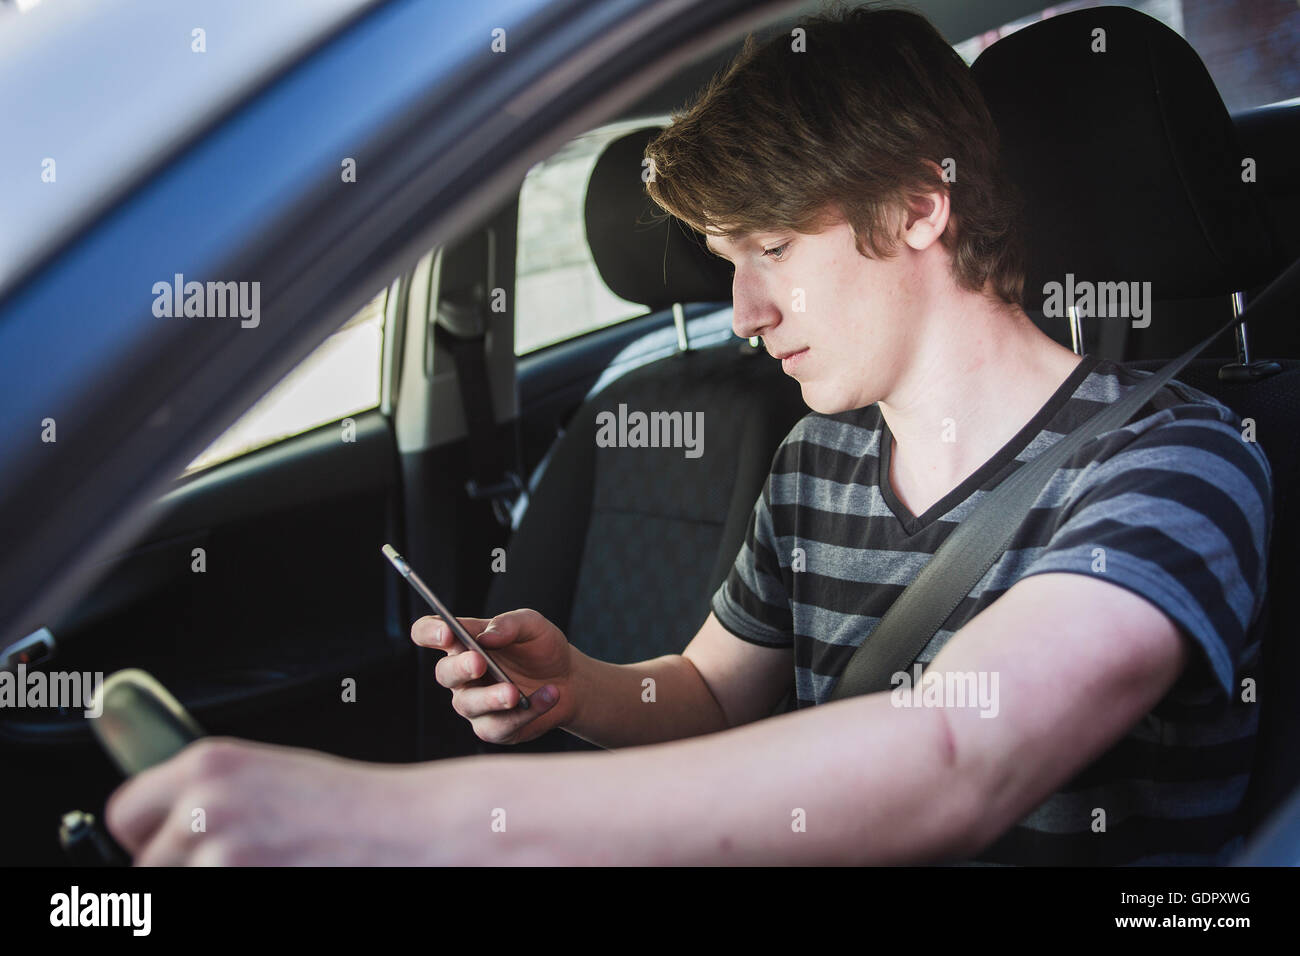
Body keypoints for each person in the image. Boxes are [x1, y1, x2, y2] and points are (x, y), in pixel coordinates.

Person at [105, 5, 1272, 865]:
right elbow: (710, 694)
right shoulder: (818, 461)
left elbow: (960, 758)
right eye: (729, 265)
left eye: (772, 250)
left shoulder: (1177, 468)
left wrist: (394, 818)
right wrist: (581, 688)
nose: (746, 313)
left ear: (921, 204)